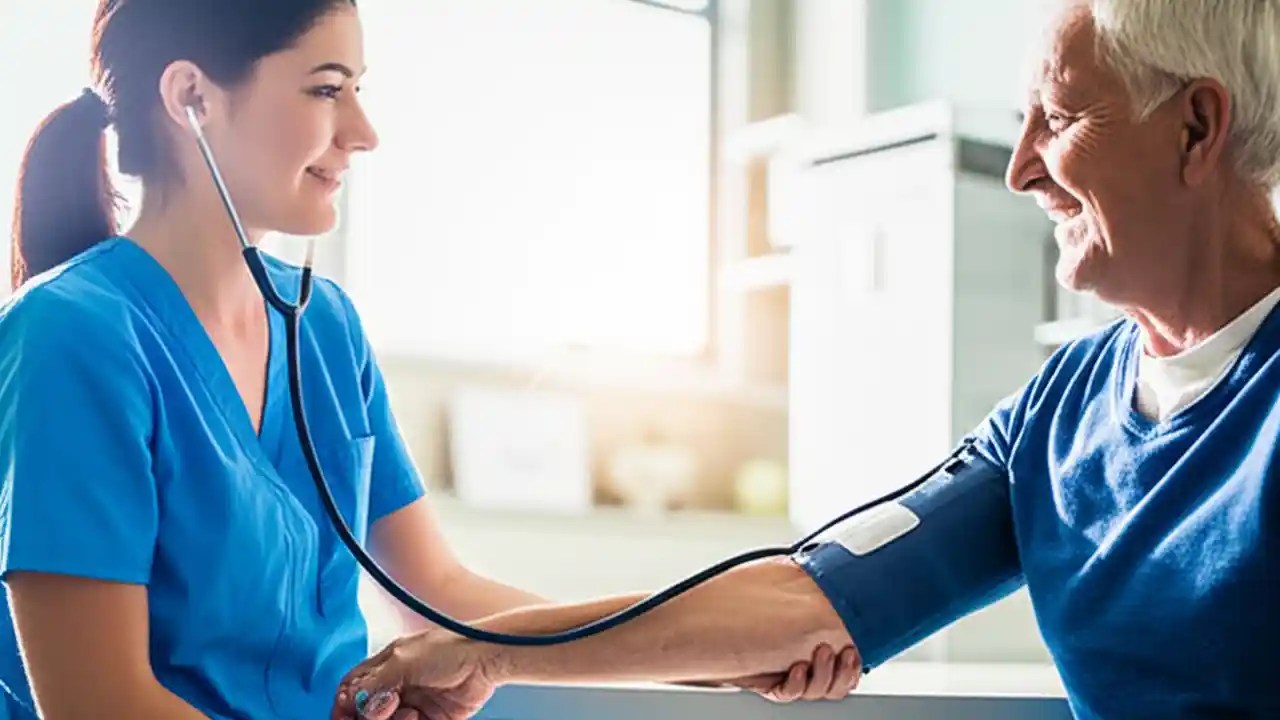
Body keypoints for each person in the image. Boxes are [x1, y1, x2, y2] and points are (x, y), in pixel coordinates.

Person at [333, 1, 1280, 718]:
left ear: (1196, 128)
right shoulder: (1065, 410)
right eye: (1022, 120)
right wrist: (491, 652)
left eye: (1062, 120)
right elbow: (813, 596)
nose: (1020, 167)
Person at [0, 1, 855, 717]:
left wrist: (713, 653)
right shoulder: (73, 335)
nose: (364, 133)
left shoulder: (323, 328)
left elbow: (442, 589)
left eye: (358, 91)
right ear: (192, 97)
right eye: (327, 90)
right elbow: (98, 704)